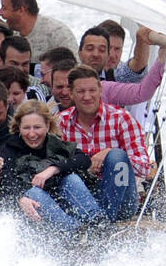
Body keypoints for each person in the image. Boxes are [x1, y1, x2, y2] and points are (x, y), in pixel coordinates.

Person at [59, 67, 154, 220]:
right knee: (68, 179)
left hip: (122, 197)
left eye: (92, 90)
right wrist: (84, 165)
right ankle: (100, 221)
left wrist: (109, 155)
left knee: (117, 157)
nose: (87, 96)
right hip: (83, 196)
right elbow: (54, 163)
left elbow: (144, 168)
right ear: (70, 93)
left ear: (100, 90)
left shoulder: (121, 119)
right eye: (80, 91)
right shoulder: (61, 122)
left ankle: (103, 223)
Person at [0, 100, 103, 231]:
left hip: (62, 200)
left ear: (47, 126)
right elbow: (6, 178)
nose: (32, 134)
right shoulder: (10, 148)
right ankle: (75, 232)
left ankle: (98, 224)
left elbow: (84, 159)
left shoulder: (55, 143)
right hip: (36, 206)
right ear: (19, 127)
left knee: (71, 179)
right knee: (34, 192)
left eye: (37, 127)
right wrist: (20, 198)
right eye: (26, 128)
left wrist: (53, 168)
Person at [0, 0, 77, 57]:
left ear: (21, 10)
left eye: (4, 8)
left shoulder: (57, 33)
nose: (0, 13)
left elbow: (75, 68)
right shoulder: (12, 36)